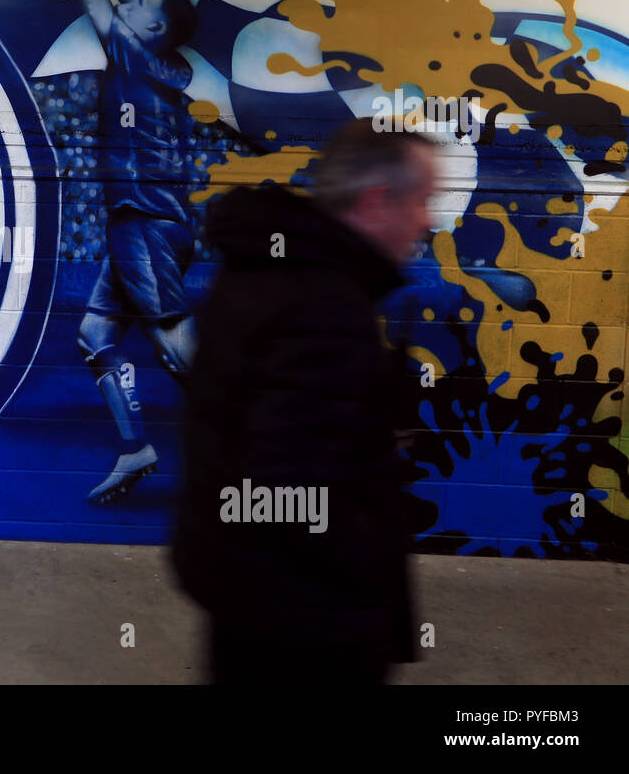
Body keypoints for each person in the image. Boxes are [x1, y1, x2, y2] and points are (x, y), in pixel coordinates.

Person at [170, 117, 441, 684]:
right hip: (306, 625)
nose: (427, 221)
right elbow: (284, 486)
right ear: (377, 199)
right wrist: (368, 560)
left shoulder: (262, 271)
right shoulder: (324, 305)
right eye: (422, 201)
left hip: (246, 597)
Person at [41, 0, 202, 504]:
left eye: (137, 4)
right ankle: (135, 444)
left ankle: (268, 442)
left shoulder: (143, 56)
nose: (122, 2)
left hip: (148, 225)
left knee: (174, 346)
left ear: (154, 25)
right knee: (96, 336)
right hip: (139, 223)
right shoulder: (148, 60)